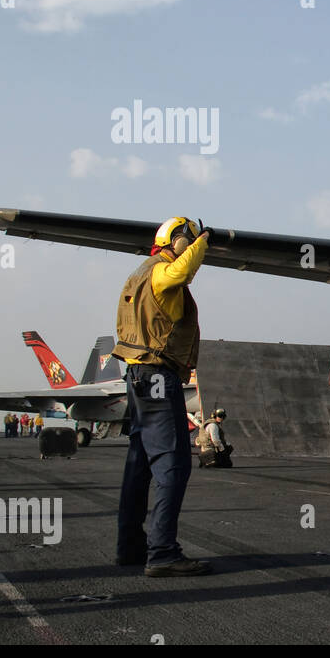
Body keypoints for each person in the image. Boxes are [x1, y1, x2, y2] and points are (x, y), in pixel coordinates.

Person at [112, 216, 213, 577]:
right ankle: (163, 552)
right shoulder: (161, 271)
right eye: (190, 237)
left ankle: (130, 547)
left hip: (138, 376)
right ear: (178, 241)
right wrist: (205, 241)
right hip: (157, 375)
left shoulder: (138, 274)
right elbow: (181, 273)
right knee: (174, 463)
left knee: (139, 466)